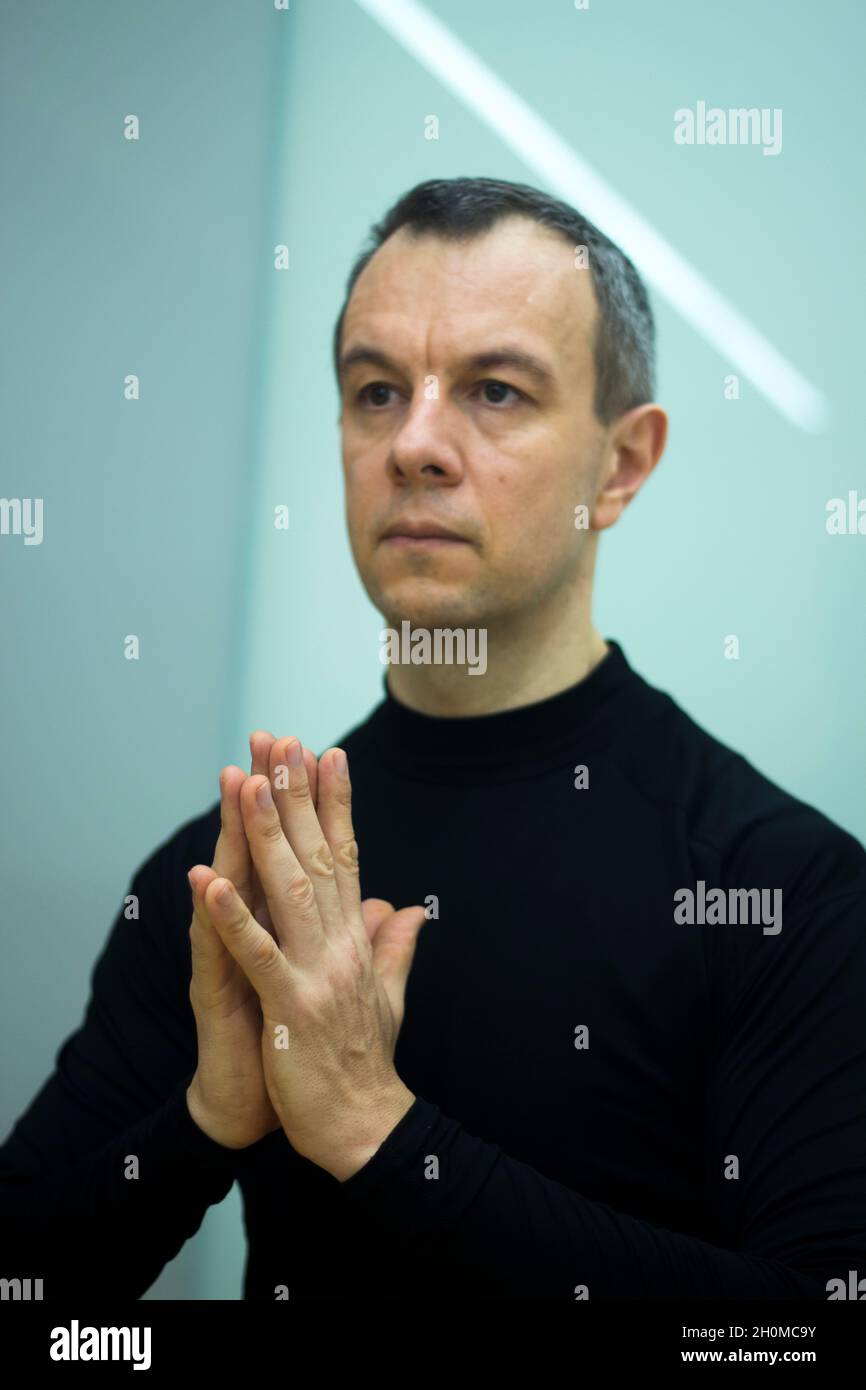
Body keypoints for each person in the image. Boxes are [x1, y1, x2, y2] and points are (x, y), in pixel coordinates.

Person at [2, 177, 864, 1302]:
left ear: (620, 465)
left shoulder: (775, 884)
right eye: (373, 391)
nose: (412, 443)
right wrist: (206, 1122)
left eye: (493, 390)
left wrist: (374, 1128)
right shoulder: (237, 878)